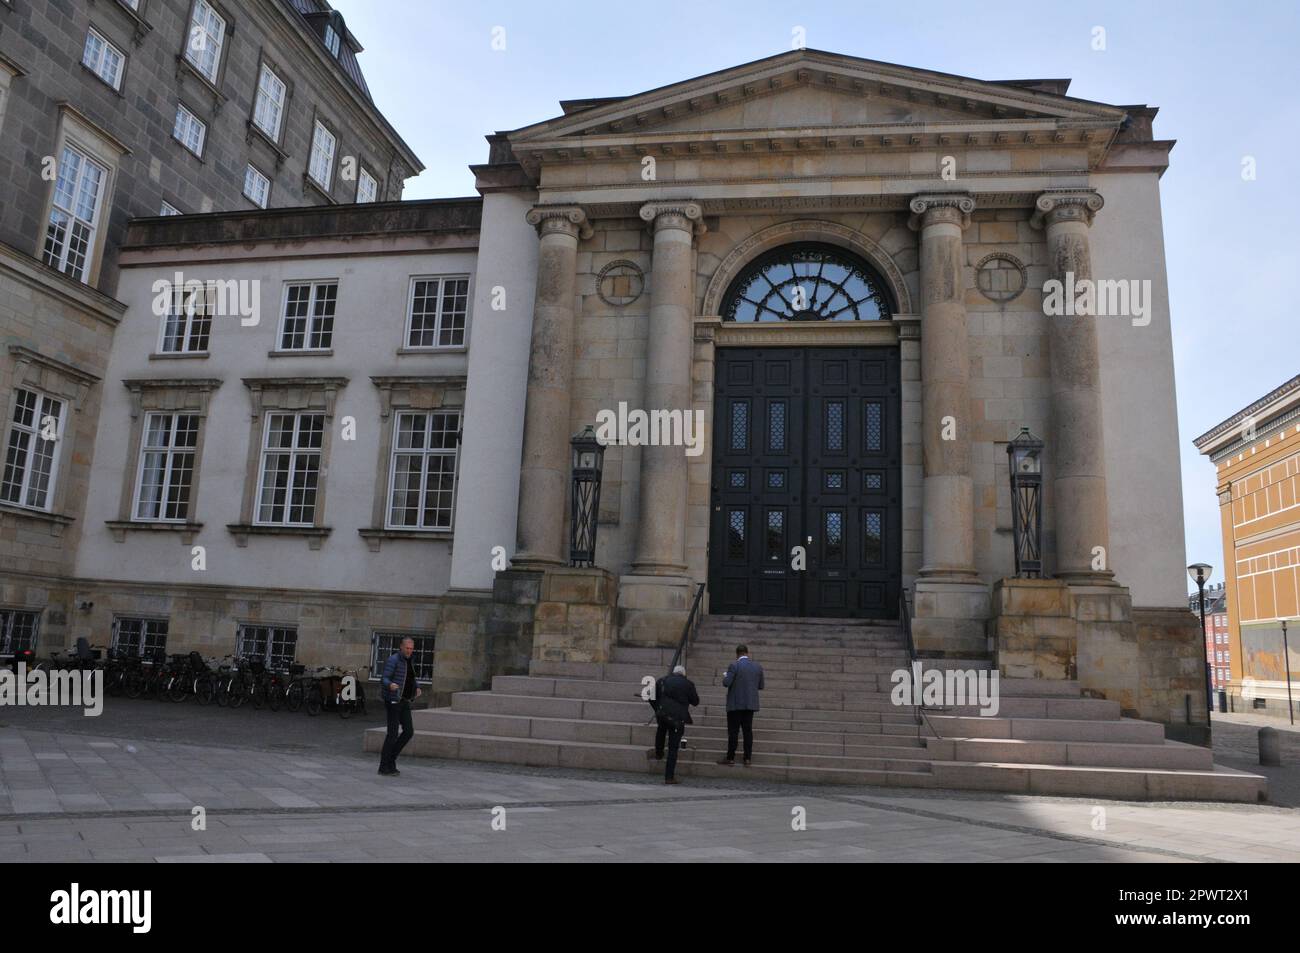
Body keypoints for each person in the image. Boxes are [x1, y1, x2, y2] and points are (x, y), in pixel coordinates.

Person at [717, 644, 764, 766]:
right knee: (747, 731)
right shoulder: (757, 667)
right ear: (747, 653)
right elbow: (761, 686)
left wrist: (726, 675)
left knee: (733, 731)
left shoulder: (734, 665)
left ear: (737, 654)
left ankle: (730, 757)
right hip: (750, 704)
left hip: (735, 705)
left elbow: (726, 683)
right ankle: (747, 758)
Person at [653, 664, 699, 785]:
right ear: (684, 674)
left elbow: (652, 697)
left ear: (673, 672)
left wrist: (657, 709)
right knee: (673, 747)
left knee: (661, 731)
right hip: (678, 719)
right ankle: (669, 776)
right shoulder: (688, 684)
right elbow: (695, 702)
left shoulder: (662, 680)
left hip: (663, 714)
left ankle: (658, 752)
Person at [378, 637, 418, 776]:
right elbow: (384, 678)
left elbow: (411, 677)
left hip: (405, 700)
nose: (409, 651)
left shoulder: (410, 660)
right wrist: (390, 684)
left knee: (409, 731)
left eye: (411, 649)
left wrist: (416, 687)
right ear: (401, 647)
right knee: (393, 734)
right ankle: (384, 766)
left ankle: (391, 759)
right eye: (407, 648)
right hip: (393, 701)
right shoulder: (393, 660)